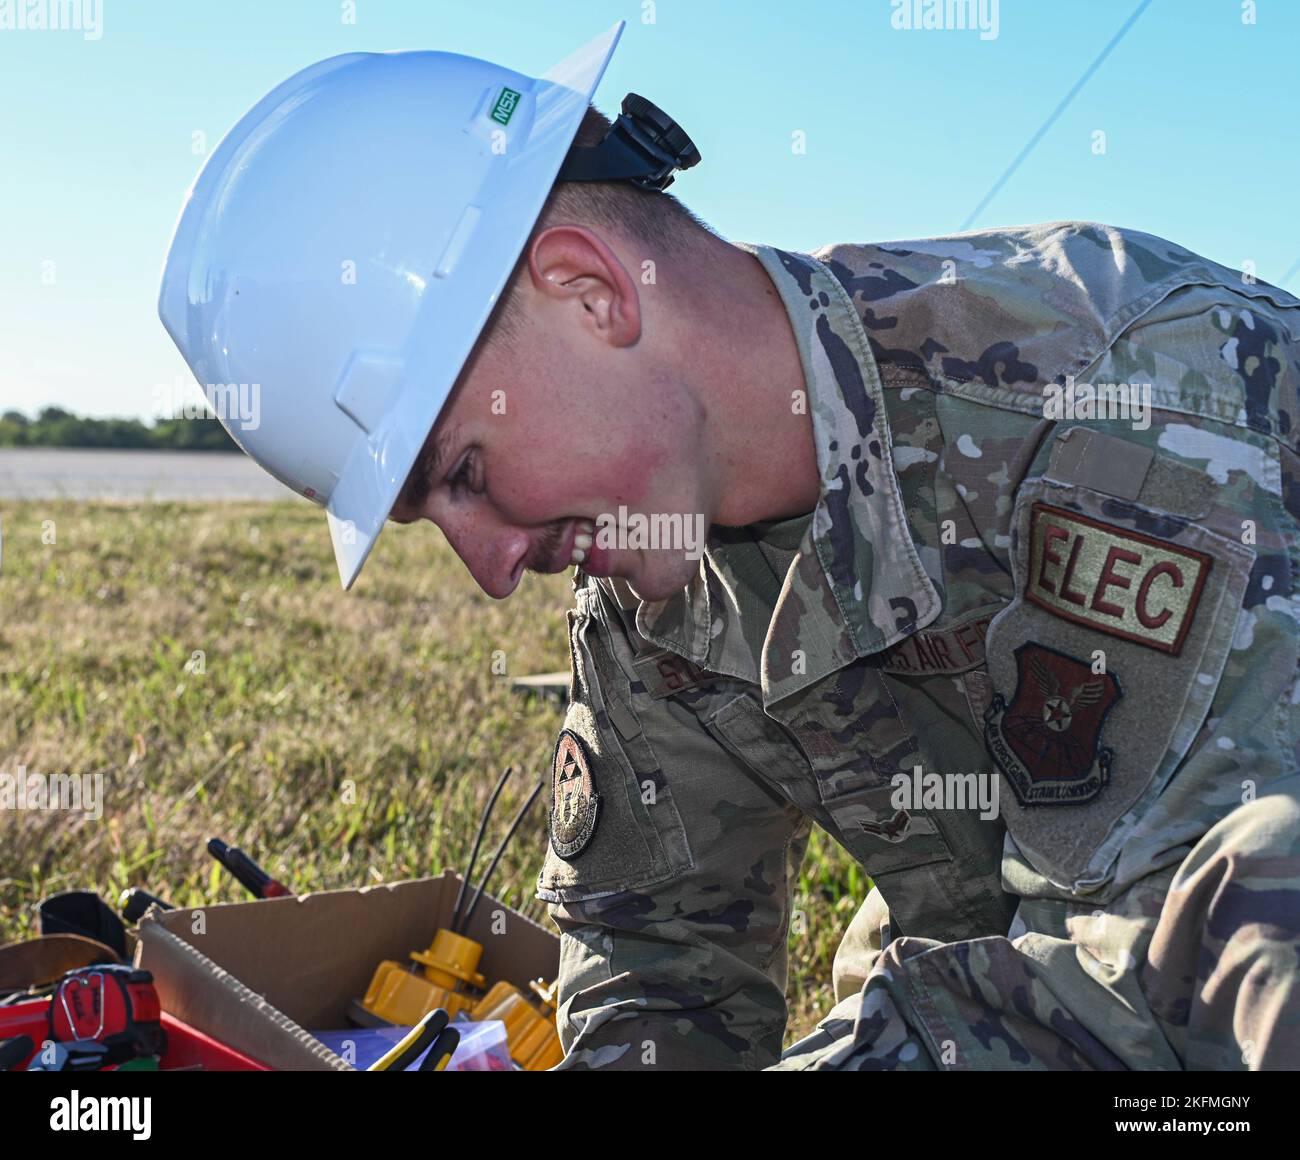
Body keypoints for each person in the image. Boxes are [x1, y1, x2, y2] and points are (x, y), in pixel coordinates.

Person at [160, 23, 1300, 1070]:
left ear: (591, 291)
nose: (491, 566)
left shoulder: (1120, 400)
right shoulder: (656, 573)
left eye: (462, 474)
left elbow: (1137, 994)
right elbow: (651, 949)